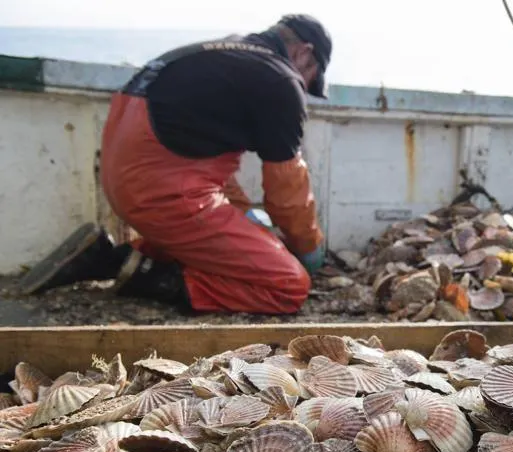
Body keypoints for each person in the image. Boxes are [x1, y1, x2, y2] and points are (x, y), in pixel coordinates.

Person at [19, 14, 332, 315]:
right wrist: (307, 247)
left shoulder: (221, 52)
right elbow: (287, 193)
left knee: (242, 239)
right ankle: (151, 277)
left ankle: (109, 256)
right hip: (163, 194)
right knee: (289, 284)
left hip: (127, 181)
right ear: (305, 53)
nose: (304, 87)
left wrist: (241, 211)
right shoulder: (281, 80)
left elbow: (204, 157)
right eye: (311, 78)